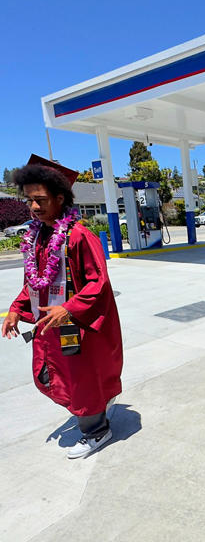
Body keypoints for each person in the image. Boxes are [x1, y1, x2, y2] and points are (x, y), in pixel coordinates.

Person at [1, 155, 123, 459]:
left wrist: (69, 308)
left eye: (41, 200)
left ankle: (97, 430)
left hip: (74, 325)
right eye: (29, 200)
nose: (34, 207)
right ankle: (96, 410)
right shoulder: (36, 237)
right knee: (50, 375)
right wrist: (17, 308)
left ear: (59, 198)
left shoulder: (80, 236)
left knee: (81, 380)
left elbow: (98, 282)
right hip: (49, 324)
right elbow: (34, 282)